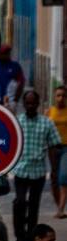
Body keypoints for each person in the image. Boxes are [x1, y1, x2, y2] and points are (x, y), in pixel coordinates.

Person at [14, 90, 61, 241]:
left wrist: (54, 168)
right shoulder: (18, 122)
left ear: (38, 103)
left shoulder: (46, 123)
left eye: (33, 103)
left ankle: (29, 238)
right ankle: (19, 236)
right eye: (27, 103)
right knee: (20, 202)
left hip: (38, 171)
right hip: (21, 170)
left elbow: (55, 145)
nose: (31, 106)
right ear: (24, 104)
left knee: (34, 206)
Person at [48, 84, 67, 217]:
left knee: (63, 176)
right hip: (53, 148)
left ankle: (61, 208)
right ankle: (58, 206)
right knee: (54, 178)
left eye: (63, 96)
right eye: (58, 95)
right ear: (54, 97)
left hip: (66, 147)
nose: (61, 98)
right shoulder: (49, 112)